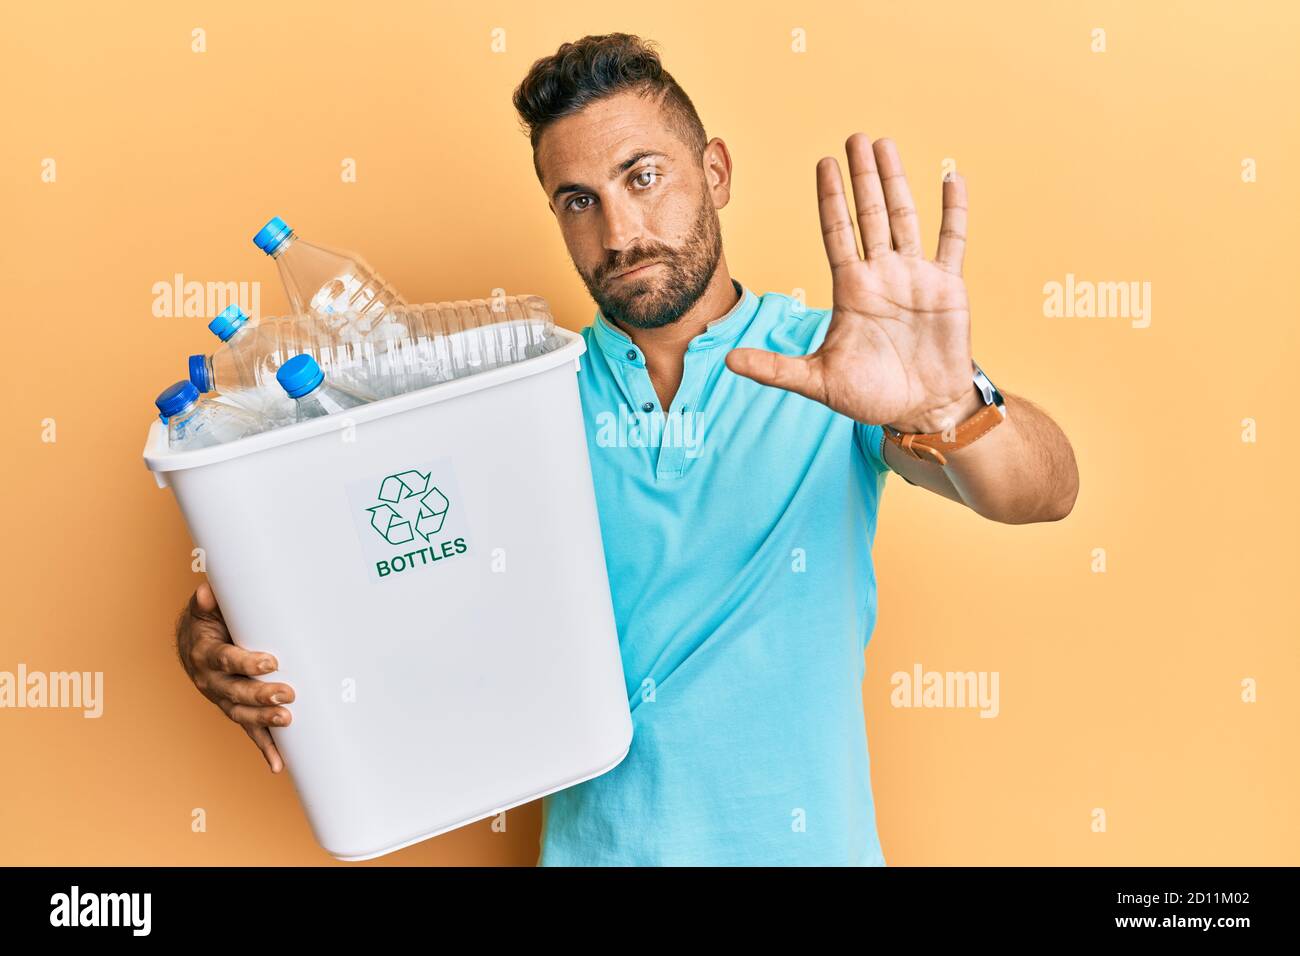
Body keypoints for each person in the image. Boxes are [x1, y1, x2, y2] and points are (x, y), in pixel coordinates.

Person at [174, 33, 1079, 865]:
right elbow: (393, 578)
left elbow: (1041, 490)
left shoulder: (844, 365)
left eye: (642, 176)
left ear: (714, 171)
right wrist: (222, 635)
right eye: (579, 201)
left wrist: (950, 402)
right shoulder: (519, 404)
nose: (618, 232)